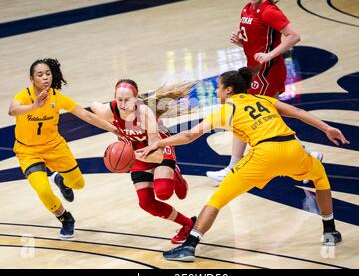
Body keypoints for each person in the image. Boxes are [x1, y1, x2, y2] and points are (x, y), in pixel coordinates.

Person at [137, 67, 349, 262]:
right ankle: (329, 230)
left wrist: (160, 142)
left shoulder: (225, 110)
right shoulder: (264, 100)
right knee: (320, 176)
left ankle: (189, 246)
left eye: (218, 88)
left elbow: (189, 135)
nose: (216, 92)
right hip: (293, 148)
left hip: (263, 155)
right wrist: (327, 128)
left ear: (228, 90)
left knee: (218, 199)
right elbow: (299, 113)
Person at [206, 0, 305, 185]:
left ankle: (232, 167)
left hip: (268, 71)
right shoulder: (247, 8)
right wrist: (240, 44)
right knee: (271, 117)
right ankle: (307, 156)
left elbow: (294, 36)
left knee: (246, 114)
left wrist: (270, 55)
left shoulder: (269, 11)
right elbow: (257, 43)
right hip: (255, 69)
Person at [8, 58, 120, 239]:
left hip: (54, 147)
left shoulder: (57, 98)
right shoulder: (23, 96)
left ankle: (61, 181)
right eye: (40, 74)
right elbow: (13, 110)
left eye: (48, 73)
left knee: (78, 184)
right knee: (43, 190)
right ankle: (65, 218)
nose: (45, 77)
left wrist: (115, 130)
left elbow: (88, 116)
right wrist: (34, 106)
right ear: (31, 78)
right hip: (28, 151)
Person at [90, 79, 197, 244]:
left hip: (157, 146)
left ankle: (175, 174)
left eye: (127, 100)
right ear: (114, 98)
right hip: (135, 149)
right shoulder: (109, 110)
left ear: (136, 98)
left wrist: (132, 155)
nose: (123, 104)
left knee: (164, 192)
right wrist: (113, 129)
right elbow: (93, 107)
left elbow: (157, 155)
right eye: (119, 100)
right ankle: (187, 224)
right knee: (146, 203)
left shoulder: (145, 113)